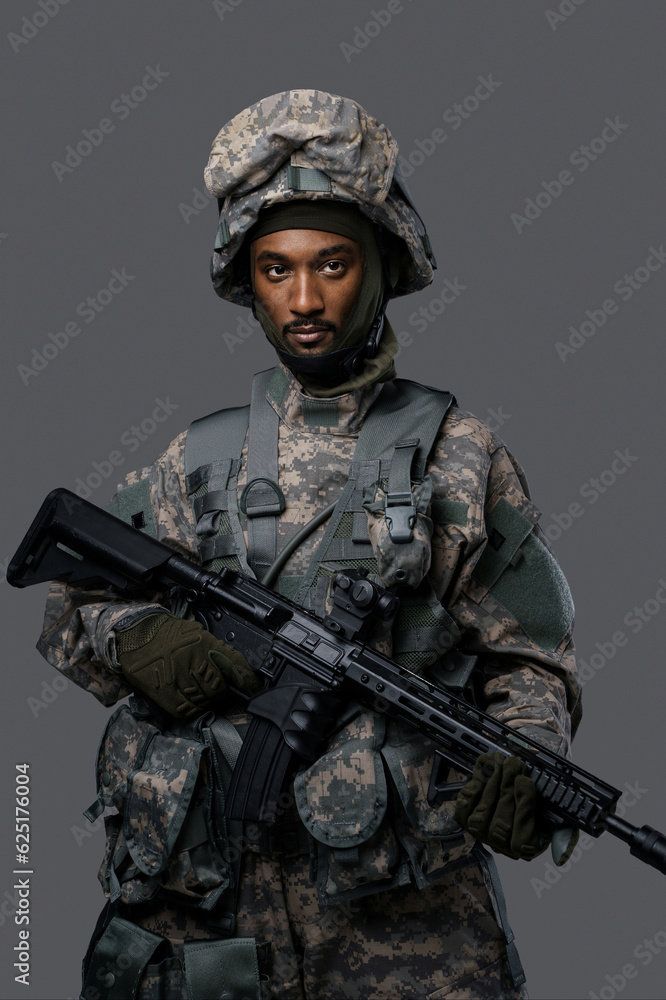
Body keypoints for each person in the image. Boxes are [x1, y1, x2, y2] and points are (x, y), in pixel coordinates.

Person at [37, 90, 581, 999]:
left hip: (402, 932)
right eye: (275, 268)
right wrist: (137, 637)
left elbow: (532, 662)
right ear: (246, 281)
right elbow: (77, 600)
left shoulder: (459, 458)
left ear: (382, 265)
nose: (304, 300)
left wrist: (526, 761)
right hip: (204, 916)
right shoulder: (200, 458)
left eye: (333, 264)